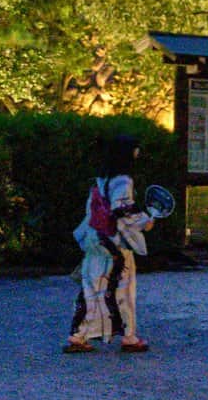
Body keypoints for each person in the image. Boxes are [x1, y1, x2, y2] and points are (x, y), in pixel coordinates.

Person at [64, 134, 154, 354]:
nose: (138, 153)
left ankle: (78, 335)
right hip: (115, 243)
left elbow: (93, 211)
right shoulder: (123, 180)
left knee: (91, 288)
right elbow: (123, 210)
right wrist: (145, 222)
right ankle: (129, 336)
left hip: (96, 241)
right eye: (135, 148)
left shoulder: (100, 179)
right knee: (123, 290)